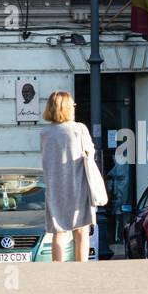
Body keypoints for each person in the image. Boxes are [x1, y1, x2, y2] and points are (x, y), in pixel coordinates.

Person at [39, 91, 96, 262]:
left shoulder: (45, 133)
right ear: (65, 107)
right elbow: (90, 153)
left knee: (59, 232)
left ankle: (58, 267)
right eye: (72, 104)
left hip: (55, 186)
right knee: (81, 231)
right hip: (77, 184)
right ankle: (80, 268)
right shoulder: (79, 129)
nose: (74, 107)